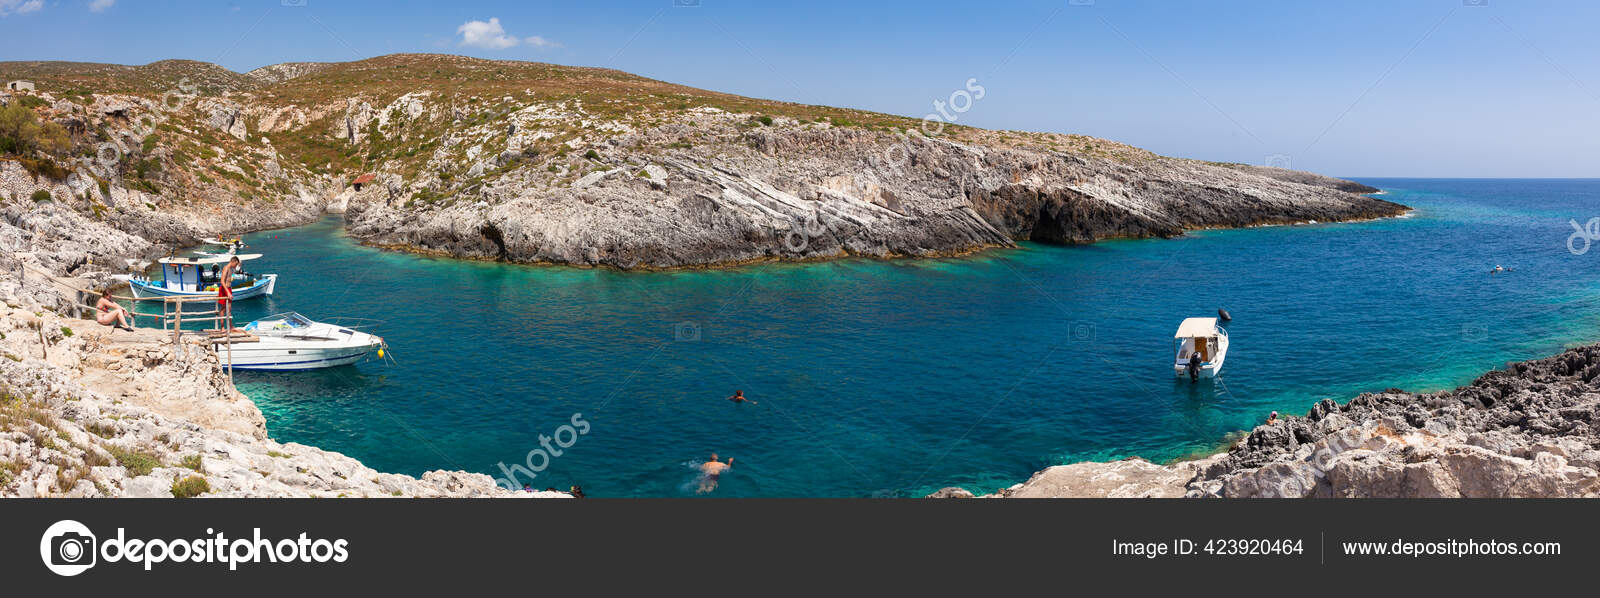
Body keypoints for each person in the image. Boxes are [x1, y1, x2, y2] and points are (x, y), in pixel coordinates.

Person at [217, 256, 241, 330]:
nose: (236, 266)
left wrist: (239, 264)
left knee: (229, 309)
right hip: (225, 290)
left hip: (228, 289)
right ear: (233, 262)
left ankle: (231, 326)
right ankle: (222, 327)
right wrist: (228, 292)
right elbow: (222, 281)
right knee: (223, 309)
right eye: (236, 264)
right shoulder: (226, 268)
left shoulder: (231, 269)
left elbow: (236, 270)